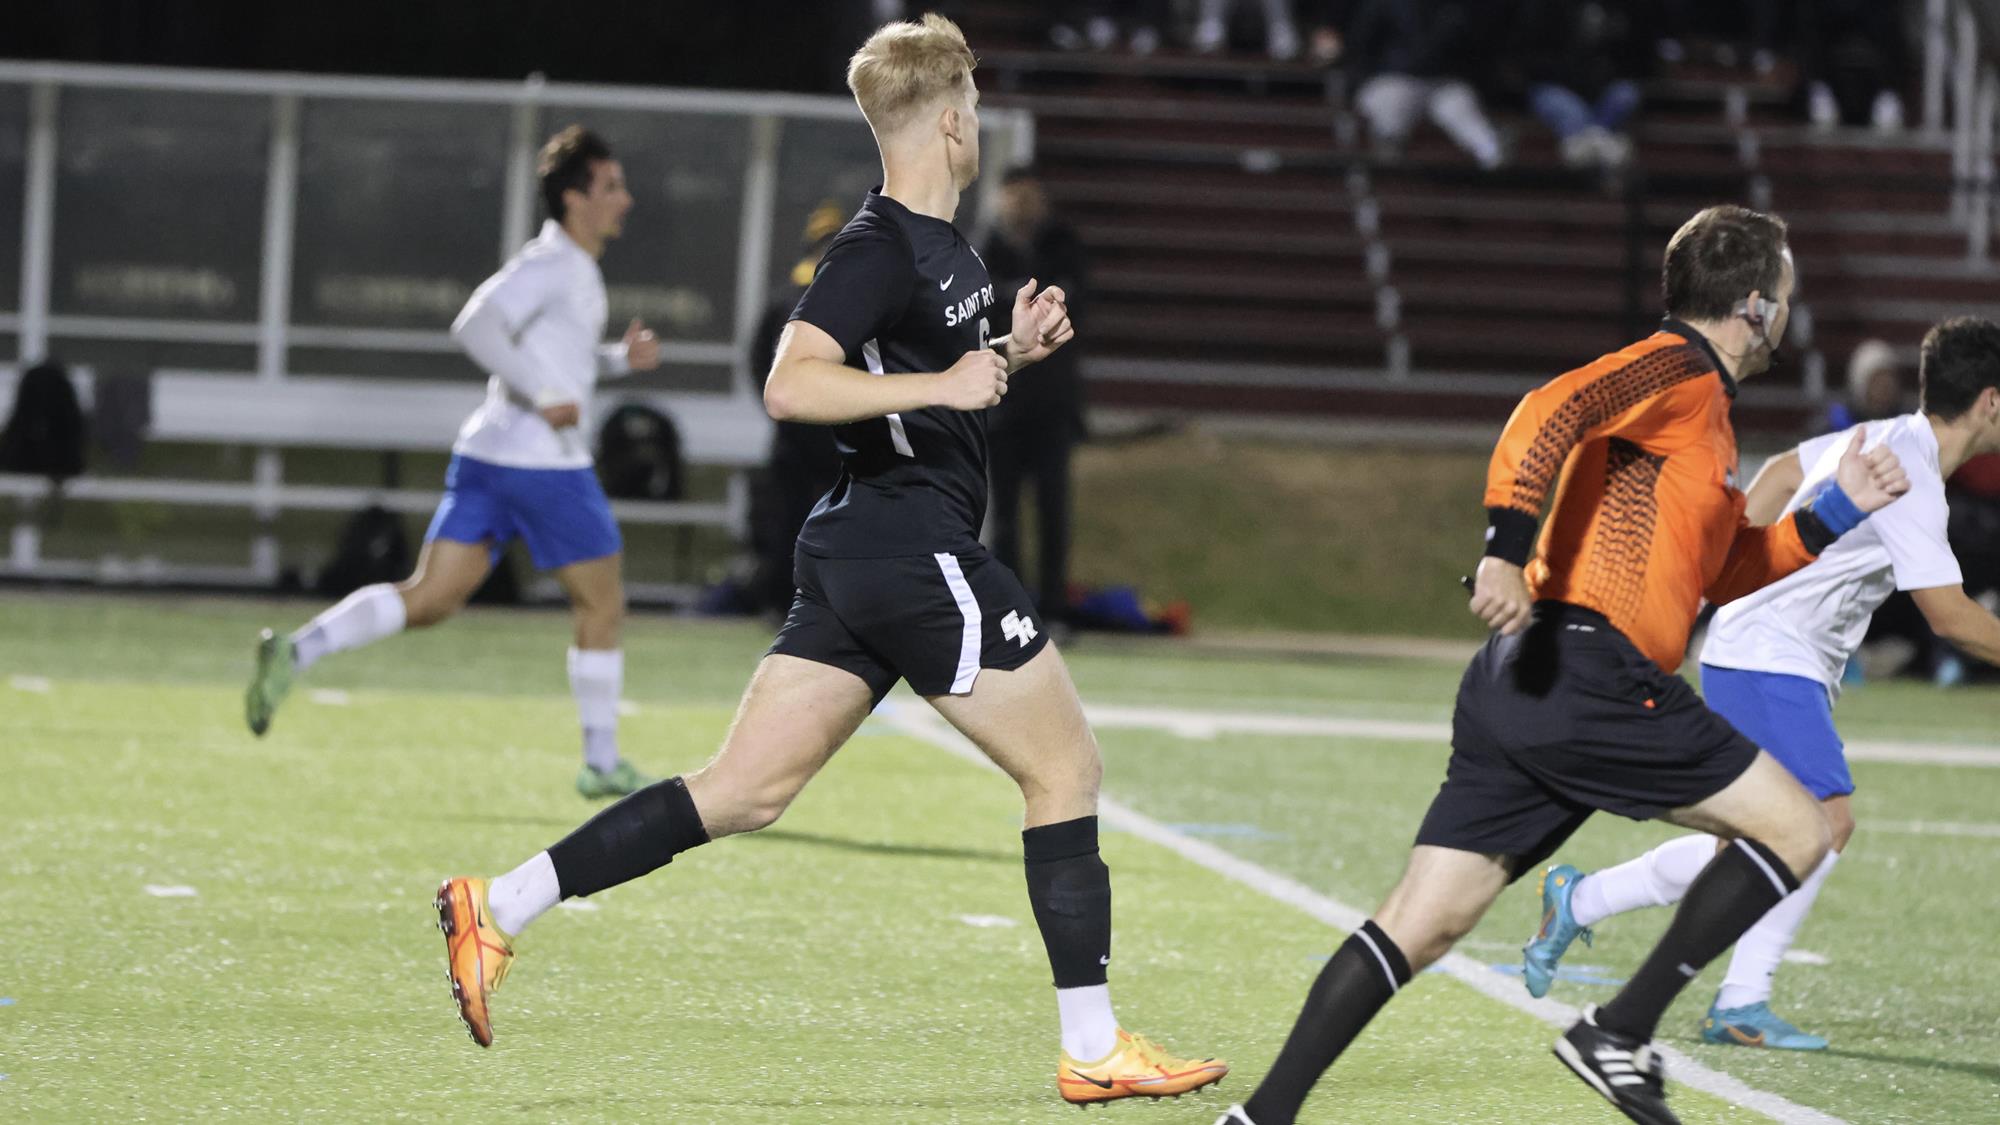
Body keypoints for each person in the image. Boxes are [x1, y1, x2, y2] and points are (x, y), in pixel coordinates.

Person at [433, 14, 1227, 1107]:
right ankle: (1091, 1047)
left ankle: (499, 905)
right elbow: (791, 383)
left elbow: (932, 397)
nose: (980, 126)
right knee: (1065, 771)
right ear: (952, 120)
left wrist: (1005, 355)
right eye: (978, 109)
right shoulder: (877, 246)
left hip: (866, 544)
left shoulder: (949, 254)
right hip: (909, 543)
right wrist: (943, 384)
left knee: (743, 791)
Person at [1216, 205, 1910, 1125]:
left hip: (1527, 678)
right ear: (1753, 305)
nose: (1790, 310)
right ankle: (1619, 1031)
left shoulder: (1705, 419)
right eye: (1785, 292)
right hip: (1591, 674)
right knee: (1802, 828)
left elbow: (1726, 571)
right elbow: (1551, 409)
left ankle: (1256, 1120)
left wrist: (1831, 514)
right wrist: (1505, 545)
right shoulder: (1680, 367)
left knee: (1423, 922)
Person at [1523, 316, 2000, 1053]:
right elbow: (1951, 618)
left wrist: (1738, 571)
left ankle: (1582, 898)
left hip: (1763, 648)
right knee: (1822, 822)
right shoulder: (1913, 478)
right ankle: (1742, 1000)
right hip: (1769, 656)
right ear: (1990, 403)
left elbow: (1780, 468)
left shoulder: (1883, 437)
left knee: (1750, 847)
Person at [243, 126, 662, 800]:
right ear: (575, 198)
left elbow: (553, 361)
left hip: (488, 452)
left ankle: (297, 649)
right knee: (604, 601)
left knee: (430, 598)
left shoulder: (571, 269)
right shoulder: (554, 265)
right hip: (542, 465)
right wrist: (547, 391)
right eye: (612, 186)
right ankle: (602, 760)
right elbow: (475, 325)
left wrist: (613, 360)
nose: (626, 198)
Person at [983, 167, 1087, 625]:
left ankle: (1054, 607)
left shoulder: (1064, 243)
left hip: (1050, 405)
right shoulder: (984, 247)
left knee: (1052, 511)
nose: (1020, 206)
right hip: (1003, 402)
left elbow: (1077, 303)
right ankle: (1012, 610)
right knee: (1001, 514)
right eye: (1013, 197)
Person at [1344, 0, 1505, 169]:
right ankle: (1388, 163)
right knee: (1393, 107)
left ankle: (1494, 158)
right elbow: (1361, 46)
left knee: (1462, 109)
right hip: (1394, 79)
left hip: (1443, 82)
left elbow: (1474, 52)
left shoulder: (1457, 7)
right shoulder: (1385, 4)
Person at [1512, 0, 1648, 170]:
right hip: (1554, 87)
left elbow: (1629, 59)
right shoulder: (1541, 9)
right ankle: (1604, 148)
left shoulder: (1609, 9)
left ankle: (1588, 144)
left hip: (1597, 93)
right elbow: (1530, 60)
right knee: (1571, 110)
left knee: (1626, 93)